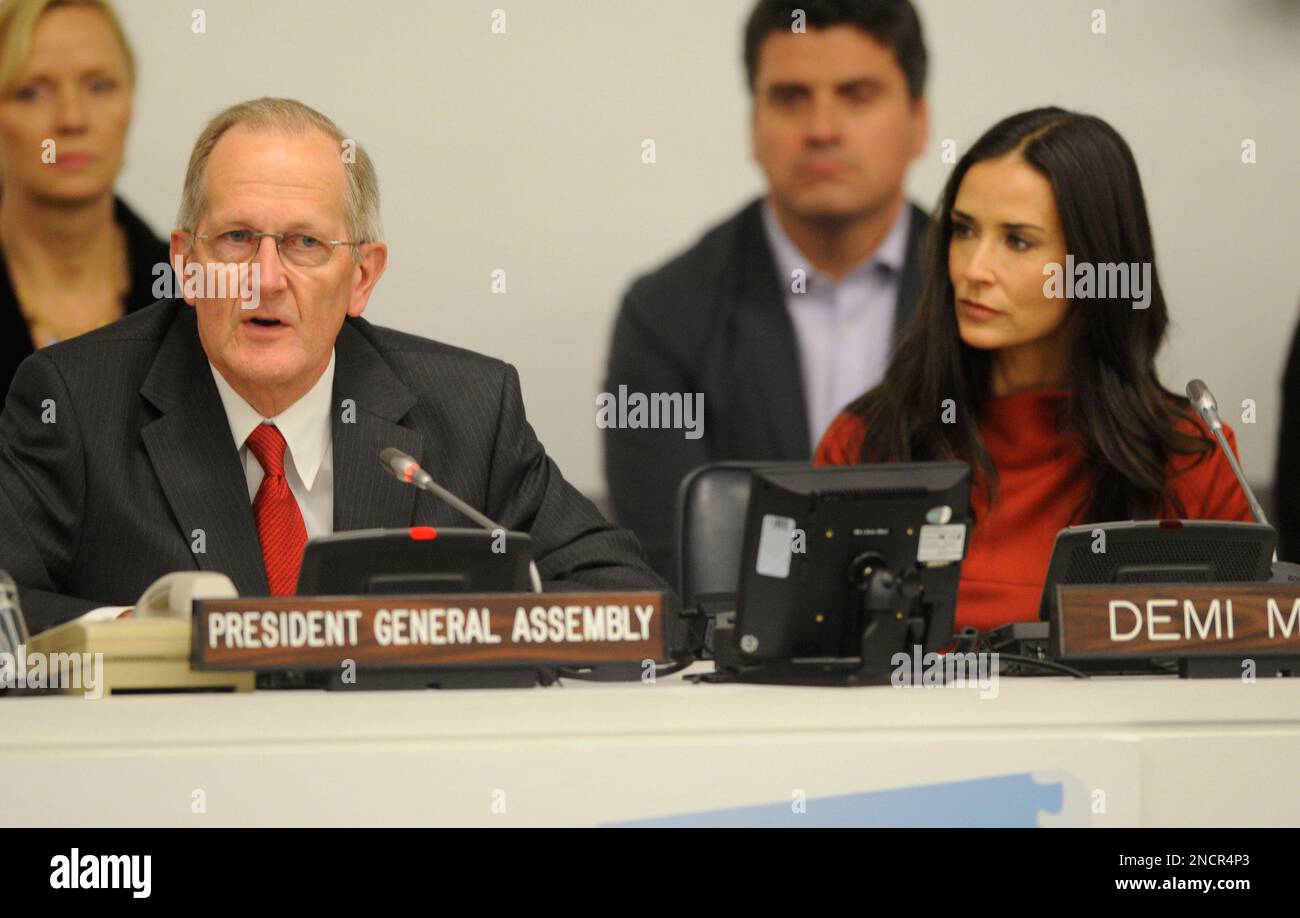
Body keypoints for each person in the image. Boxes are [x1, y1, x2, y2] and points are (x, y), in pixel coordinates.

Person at [0, 97, 668, 634]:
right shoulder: (76, 403)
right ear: (185, 262)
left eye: (305, 244)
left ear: (362, 276)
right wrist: (143, 635)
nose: (265, 279)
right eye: (237, 239)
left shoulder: (469, 410)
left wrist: (439, 632)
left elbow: (629, 597)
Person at [814, 107, 1252, 632]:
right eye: (963, 231)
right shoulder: (868, 443)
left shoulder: (1190, 460)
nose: (974, 270)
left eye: (1017, 241)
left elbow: (1230, 673)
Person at [603, 0, 930, 580]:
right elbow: (677, 554)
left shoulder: (988, 293)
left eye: (857, 95)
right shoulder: (663, 314)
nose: (822, 130)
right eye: (790, 97)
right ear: (754, 126)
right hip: (748, 662)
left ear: (919, 122)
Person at [0, 0, 168, 400]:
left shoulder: (192, 299)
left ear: (129, 101)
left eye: (99, 86)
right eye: (31, 92)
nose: (72, 118)